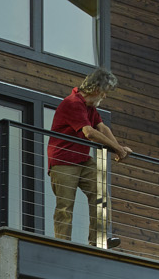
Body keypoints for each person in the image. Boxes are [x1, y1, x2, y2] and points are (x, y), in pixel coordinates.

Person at [47, 70, 120, 246]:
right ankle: (62, 245)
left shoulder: (90, 108)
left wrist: (118, 148)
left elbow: (102, 128)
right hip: (63, 160)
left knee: (101, 194)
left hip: (82, 158)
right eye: (104, 92)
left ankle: (98, 241)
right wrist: (118, 149)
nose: (104, 96)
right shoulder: (72, 103)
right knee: (65, 205)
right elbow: (89, 133)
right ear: (96, 89)